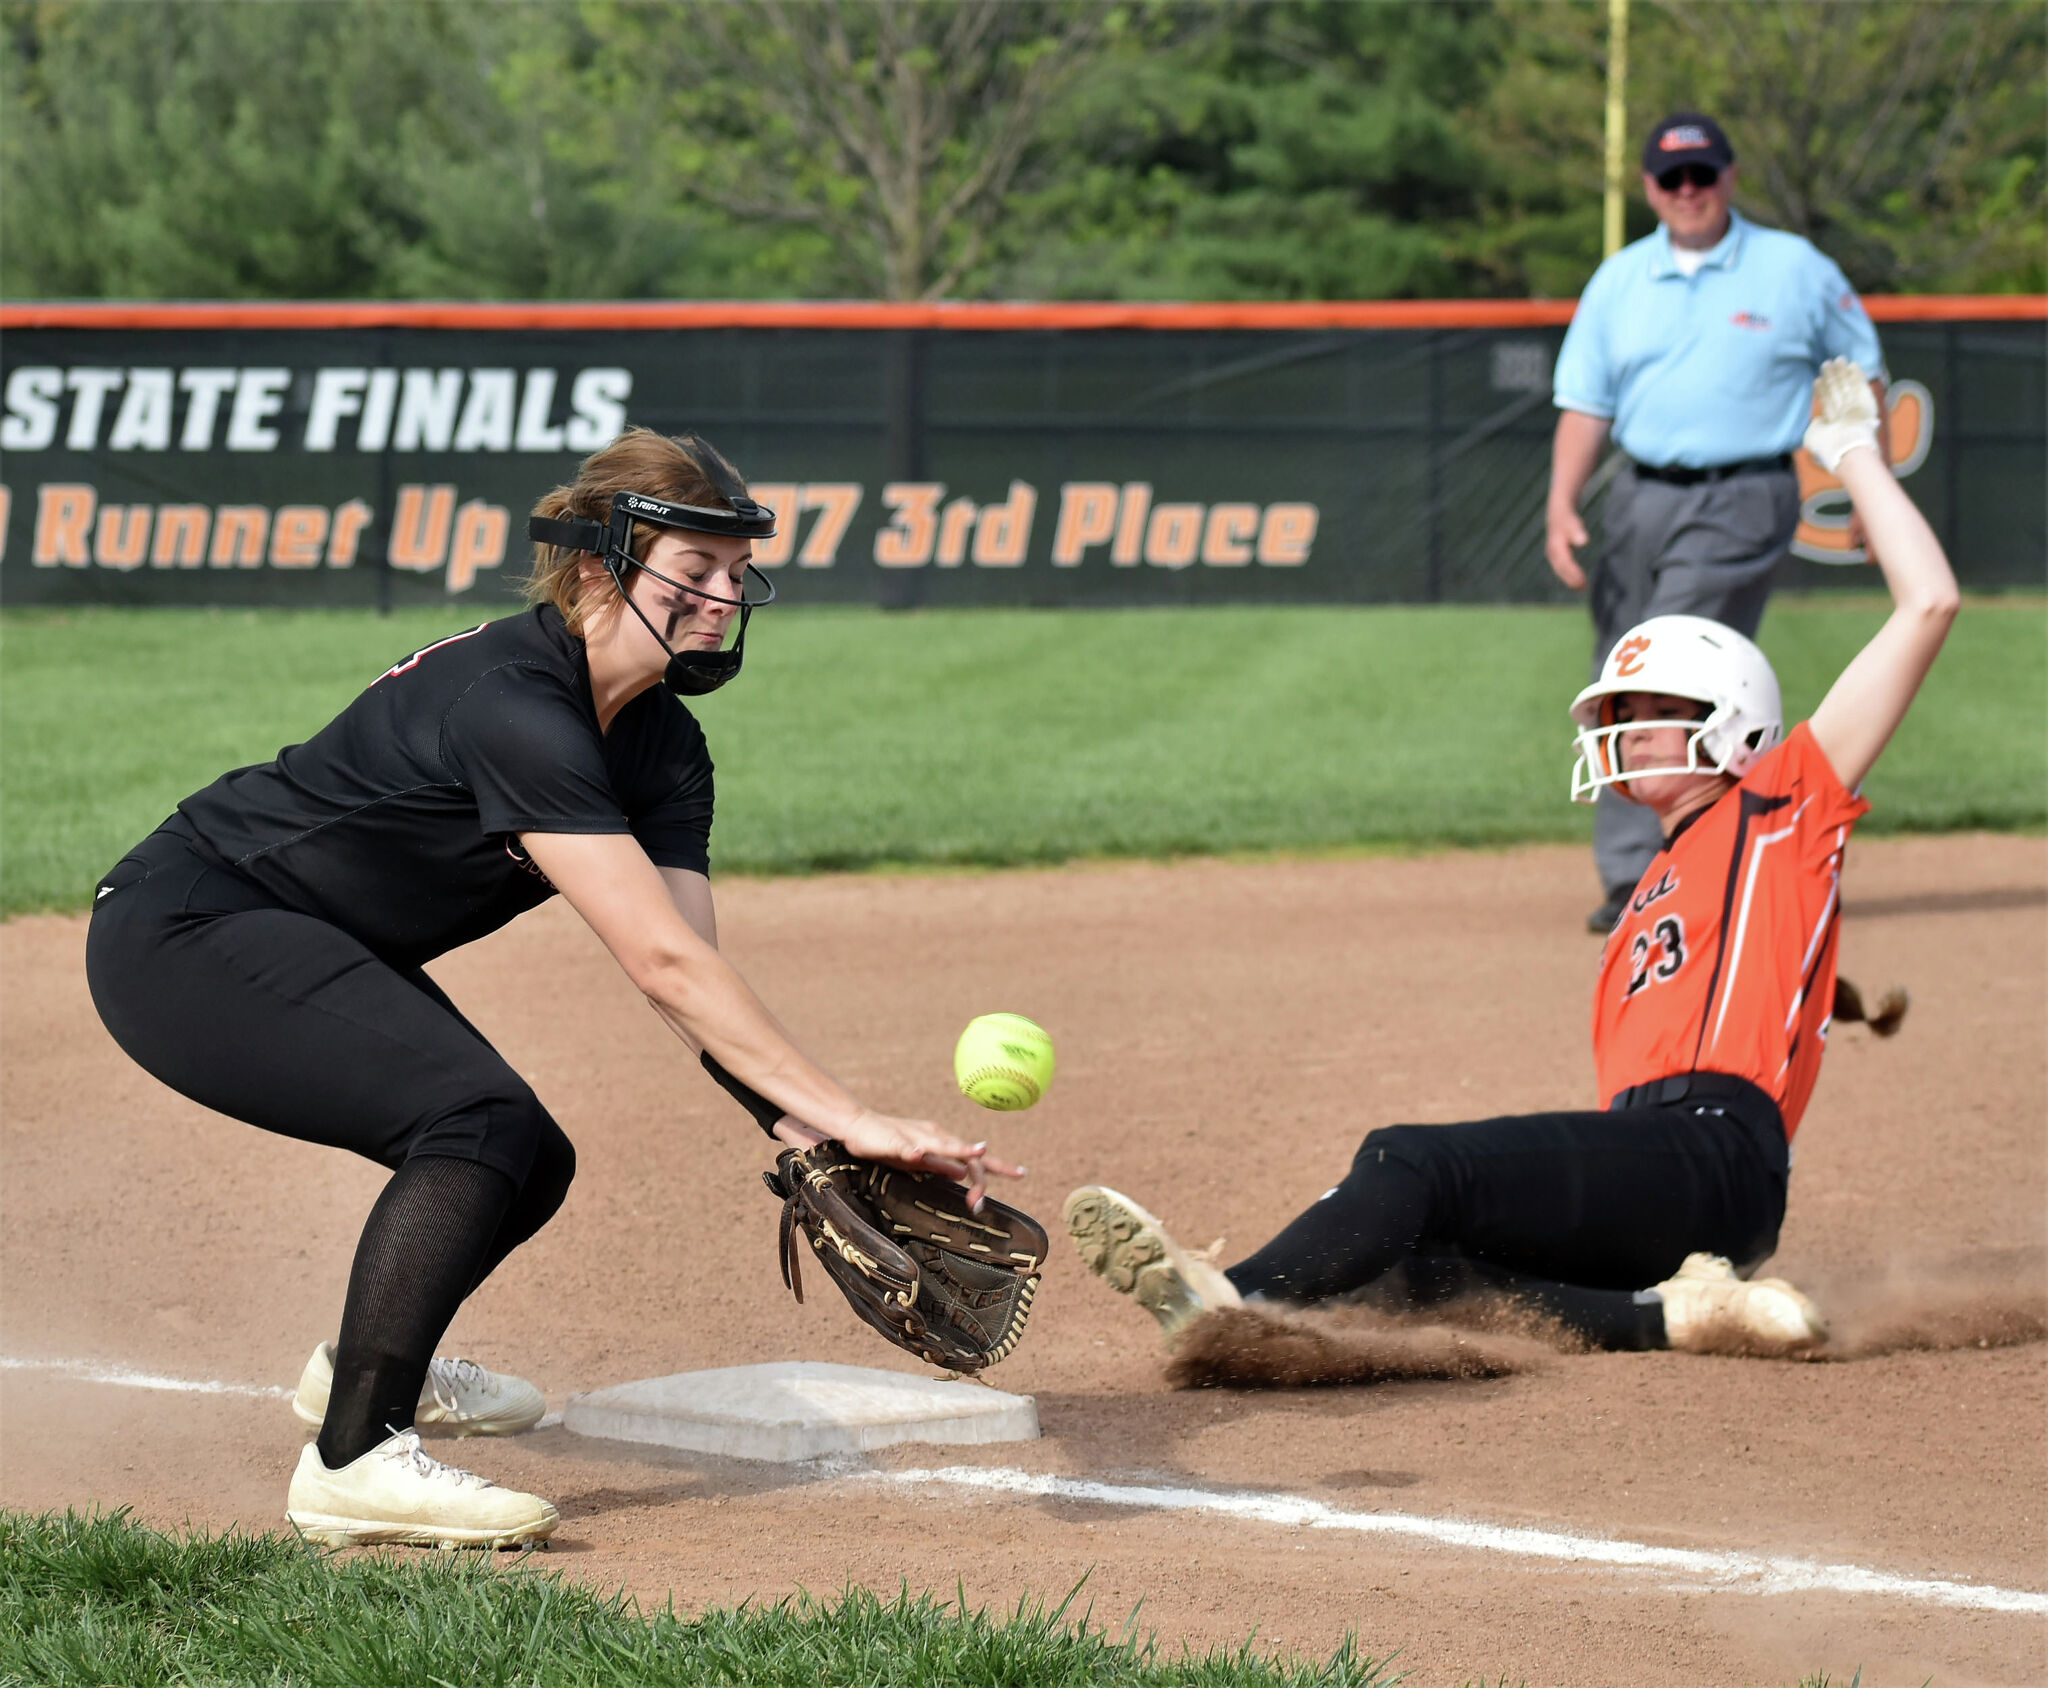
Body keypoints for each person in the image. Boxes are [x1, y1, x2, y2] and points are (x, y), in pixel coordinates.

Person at [85, 428, 1018, 1548]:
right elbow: (658, 961)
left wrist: (805, 1127)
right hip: (186, 927)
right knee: (471, 1121)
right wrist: (853, 1111)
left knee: (528, 1151)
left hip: (298, 932)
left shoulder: (665, 747)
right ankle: (352, 1462)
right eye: (695, 566)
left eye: (737, 572)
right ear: (594, 568)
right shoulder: (513, 702)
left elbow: (691, 970)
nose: (724, 596)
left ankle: (372, 1359)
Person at [1069, 362, 1954, 1359]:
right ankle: (1679, 1312)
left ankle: (1222, 1299)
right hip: (1679, 1193)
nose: (1623, 729)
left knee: (1404, 1160)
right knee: (1415, 1265)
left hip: (1703, 1154)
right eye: (1616, 713)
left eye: (1648, 711)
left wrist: (1849, 456)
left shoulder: (1778, 802)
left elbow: (1925, 604)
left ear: (1732, 725)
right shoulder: (1659, 882)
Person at [1546, 112, 1889, 932]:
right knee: (1625, 676)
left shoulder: (1792, 269)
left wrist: (1868, 483)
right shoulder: (1620, 280)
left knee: (1680, 665)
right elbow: (1586, 404)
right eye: (1673, 178)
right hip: (1638, 496)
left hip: (1744, 492)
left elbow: (1863, 374)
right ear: (1650, 189)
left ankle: (1692, 862)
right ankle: (1637, 870)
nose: (1689, 190)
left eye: (1703, 173)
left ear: (1730, 177)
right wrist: (1562, 500)